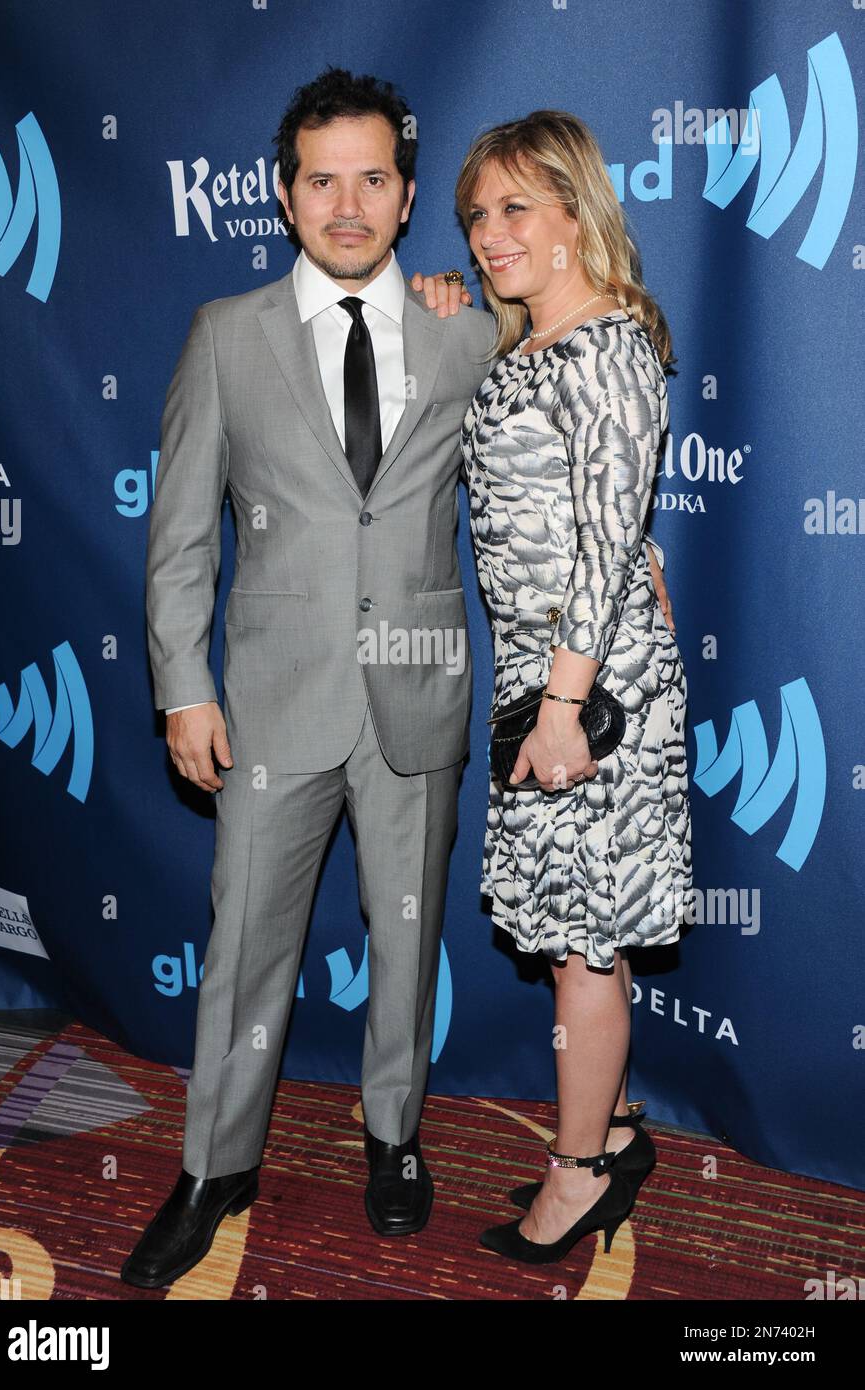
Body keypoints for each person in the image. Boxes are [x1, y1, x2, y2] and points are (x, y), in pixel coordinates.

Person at [124, 67, 500, 1289]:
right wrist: (184, 686)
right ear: (284, 197)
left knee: (407, 938)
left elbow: (551, 460)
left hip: (417, 689)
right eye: (321, 179)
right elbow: (181, 530)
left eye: (373, 179)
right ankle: (214, 1164)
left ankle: (392, 1137)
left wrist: (634, 551)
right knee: (246, 946)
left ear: (405, 198)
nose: (348, 204)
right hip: (273, 702)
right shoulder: (225, 335)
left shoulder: (464, 324)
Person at [452, 108, 693, 1265]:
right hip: (556, 671)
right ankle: (606, 1128)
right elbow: (614, 531)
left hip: (579, 690)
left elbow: (604, 542)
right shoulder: (541, 342)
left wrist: (562, 706)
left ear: (572, 211)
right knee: (572, 933)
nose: (490, 234)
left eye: (514, 208)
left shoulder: (603, 343)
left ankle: (582, 1171)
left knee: (583, 942)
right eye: (476, 216)